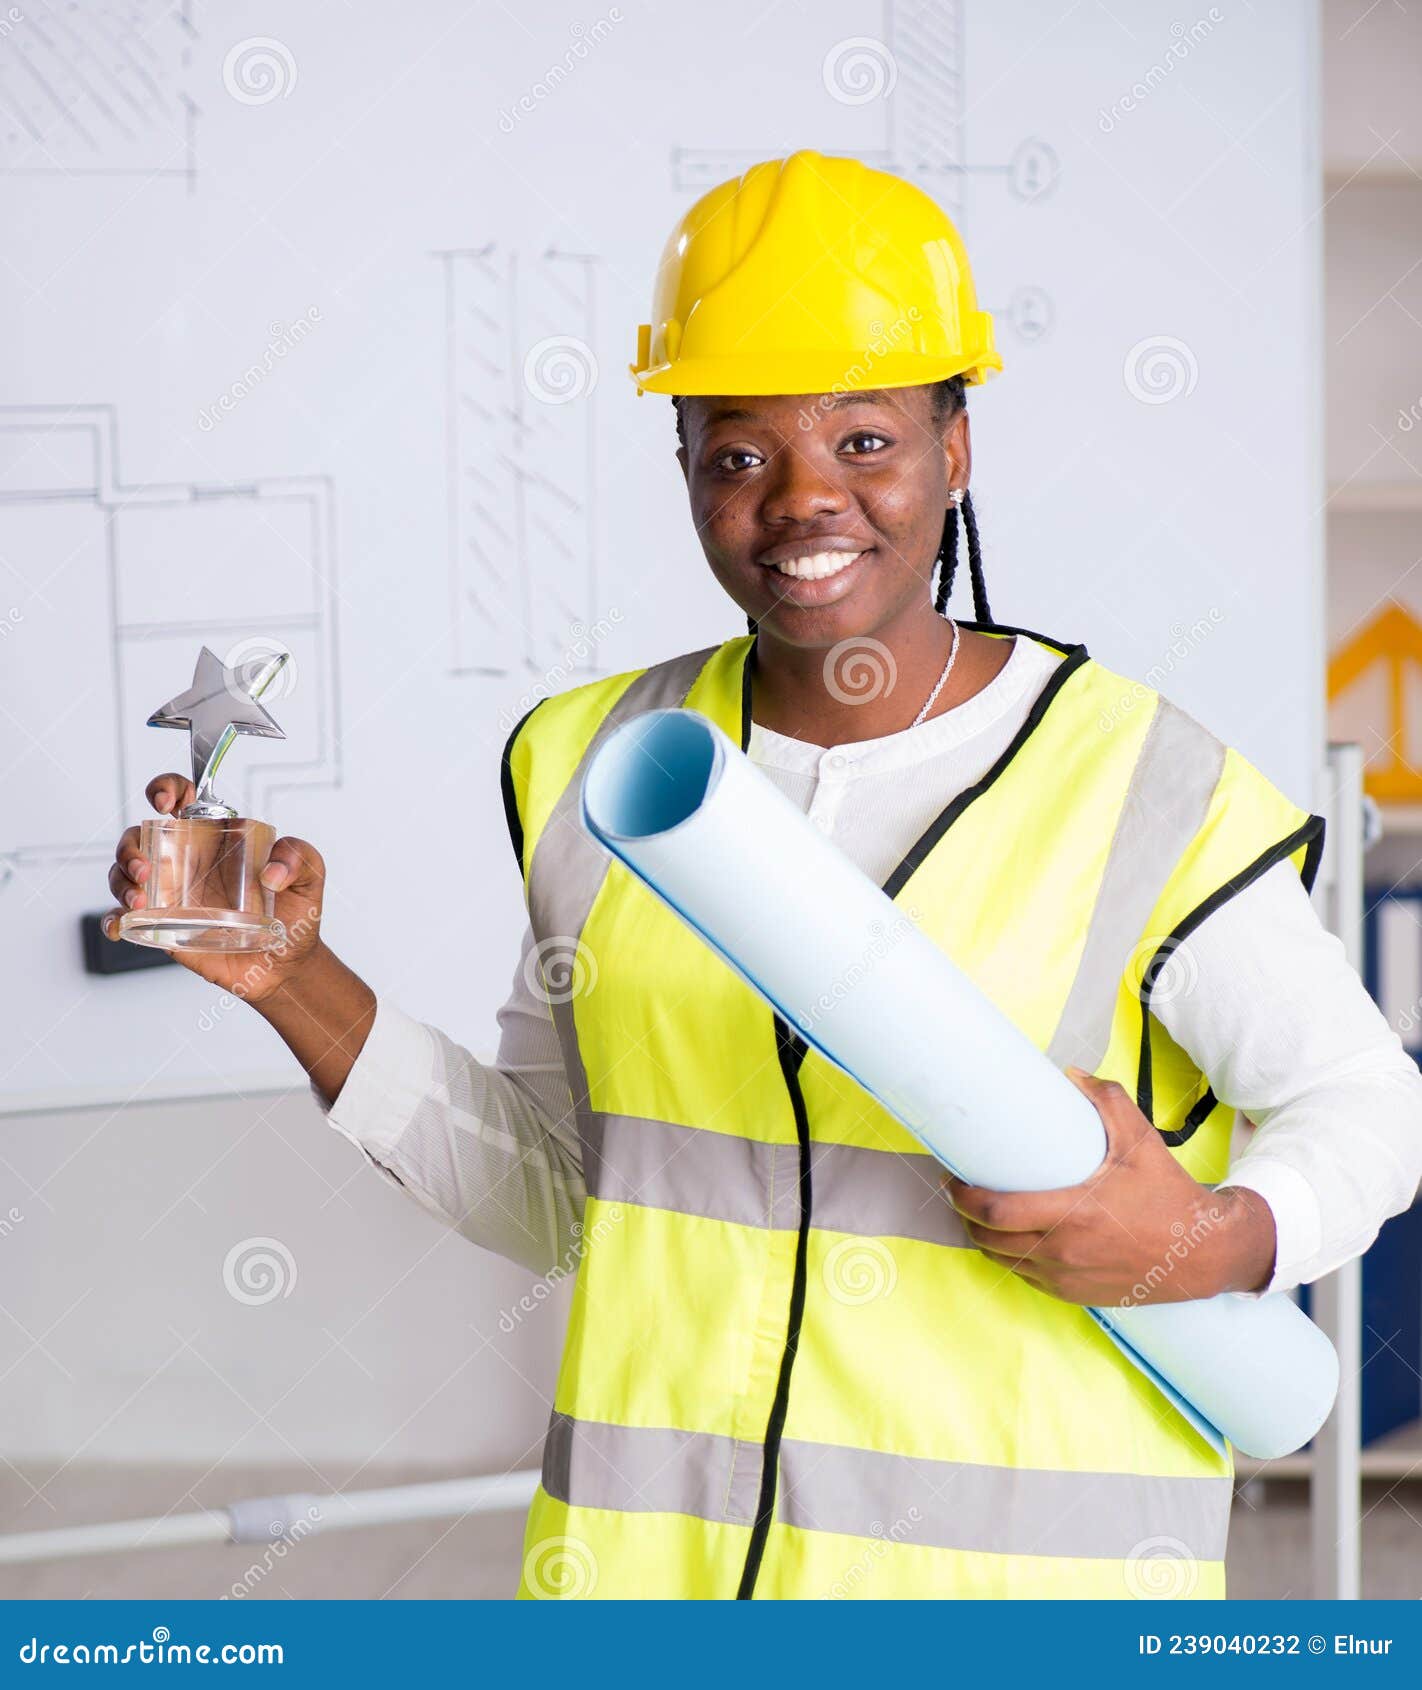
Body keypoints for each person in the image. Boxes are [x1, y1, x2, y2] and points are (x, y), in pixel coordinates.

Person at [104, 150, 1422, 1601]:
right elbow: (565, 1194)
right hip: (643, 1593)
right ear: (683, 465)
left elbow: (1363, 1105)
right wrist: (301, 983)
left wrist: (1217, 1234)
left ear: (953, 448)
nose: (804, 501)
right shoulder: (590, 762)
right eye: (740, 452)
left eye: (864, 440)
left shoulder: (1138, 781)